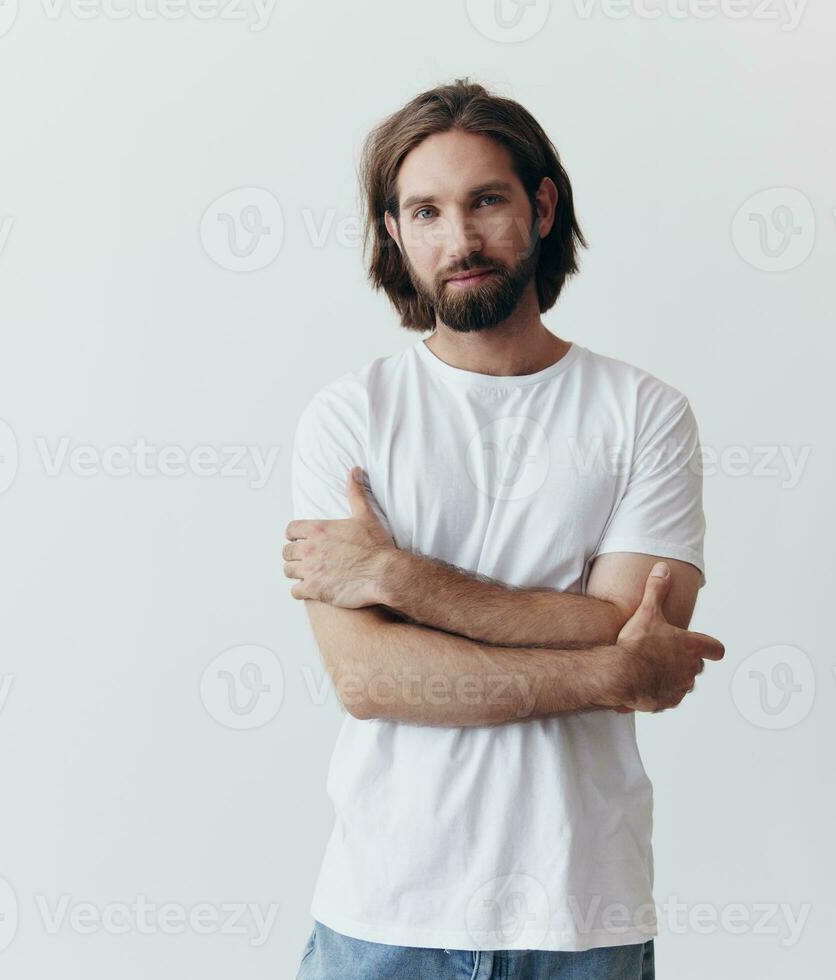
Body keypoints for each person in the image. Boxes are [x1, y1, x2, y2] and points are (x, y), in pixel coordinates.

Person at [281, 78, 726, 980]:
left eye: (486, 200)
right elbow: (369, 677)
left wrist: (397, 581)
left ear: (543, 205)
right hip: (385, 912)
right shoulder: (349, 417)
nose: (462, 238)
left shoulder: (645, 414)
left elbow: (628, 619)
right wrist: (609, 671)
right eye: (428, 211)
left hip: (580, 915)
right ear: (395, 232)